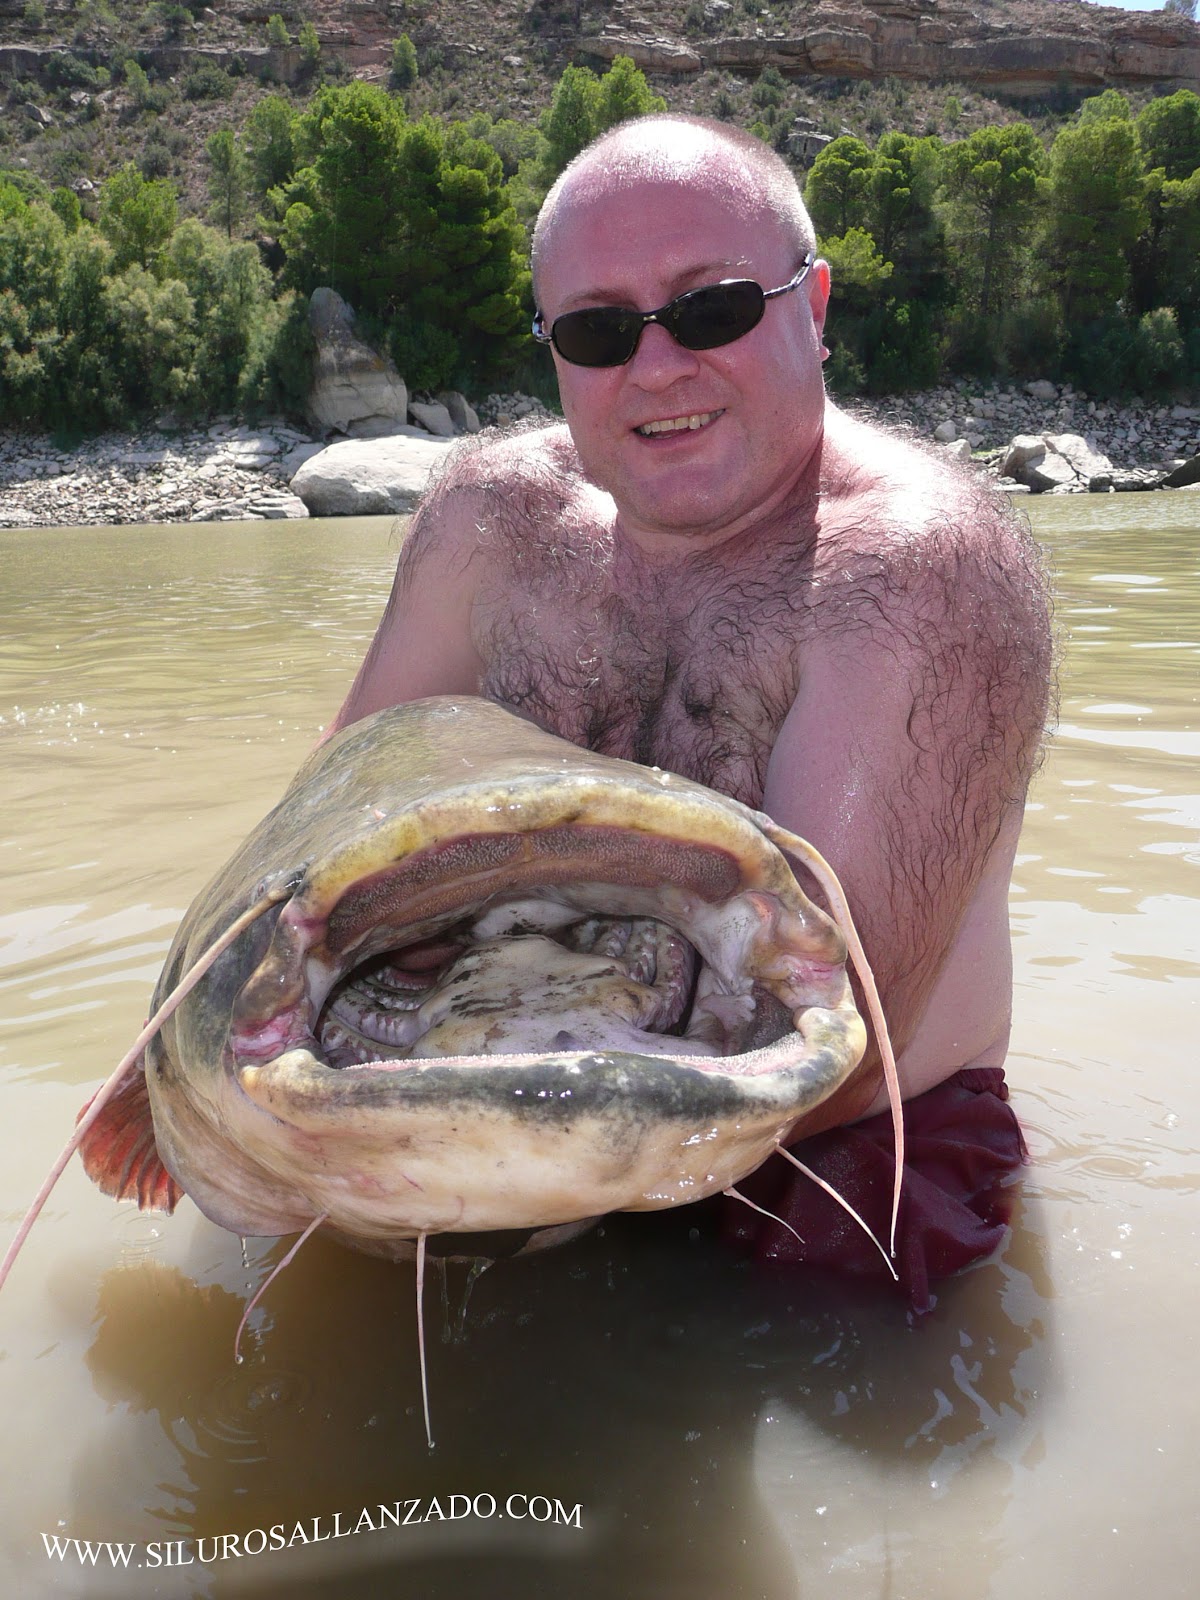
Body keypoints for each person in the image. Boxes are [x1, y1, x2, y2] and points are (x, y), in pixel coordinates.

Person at [327, 115, 1054, 1306]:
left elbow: (828, 1022)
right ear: (552, 349)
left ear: (814, 305)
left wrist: (507, 1140)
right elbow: (339, 811)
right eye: (599, 330)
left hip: (841, 1144)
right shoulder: (487, 525)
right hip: (518, 1061)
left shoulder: (916, 573)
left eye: (713, 309)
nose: (658, 367)